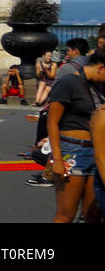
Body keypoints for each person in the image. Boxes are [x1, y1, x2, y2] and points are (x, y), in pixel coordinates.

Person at [46, 47, 105, 223]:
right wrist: (57, 160)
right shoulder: (68, 83)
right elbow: (52, 122)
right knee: (66, 214)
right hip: (72, 150)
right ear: (101, 68)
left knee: (93, 213)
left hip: (98, 152)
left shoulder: (99, 86)